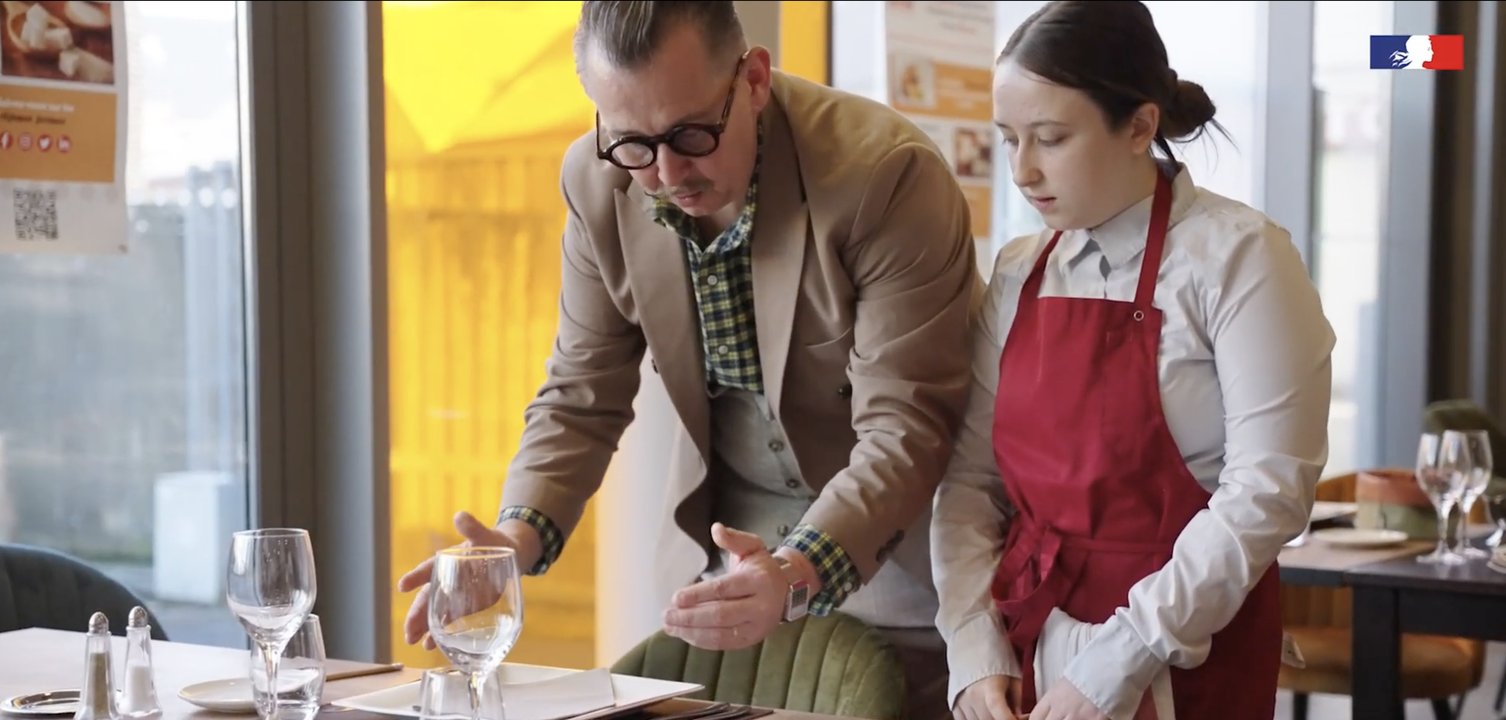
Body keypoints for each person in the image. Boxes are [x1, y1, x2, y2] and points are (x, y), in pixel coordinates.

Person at [397, 3, 981, 719]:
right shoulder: (597, 180)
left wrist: (796, 572)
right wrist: (513, 542)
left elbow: (907, 430)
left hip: (896, 571)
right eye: (633, 143)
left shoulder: (884, 176)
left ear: (756, 79)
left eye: (692, 134)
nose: (669, 173)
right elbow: (582, 389)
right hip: (728, 573)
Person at [931, 3, 1335, 720]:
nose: (1023, 170)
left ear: (1141, 127)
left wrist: (1121, 658)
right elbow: (969, 484)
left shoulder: (1240, 258)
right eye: (1008, 139)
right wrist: (972, 646)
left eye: (1050, 139)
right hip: (1026, 644)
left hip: (1185, 649)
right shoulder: (1021, 271)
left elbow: (1267, 491)